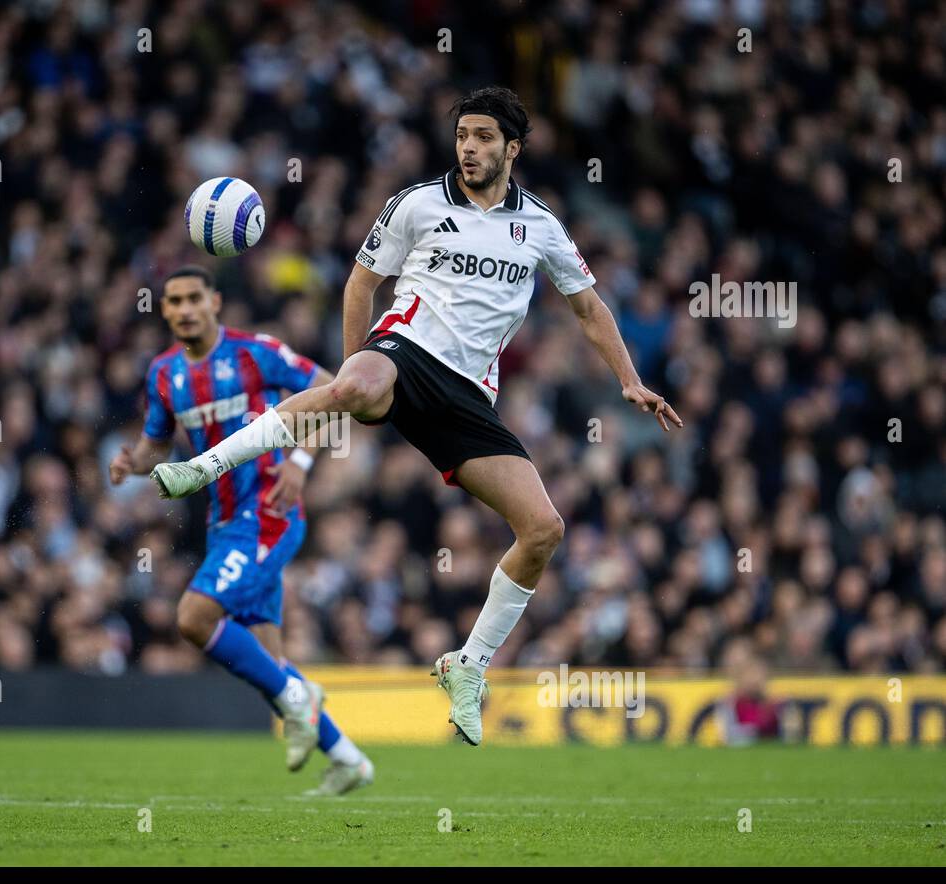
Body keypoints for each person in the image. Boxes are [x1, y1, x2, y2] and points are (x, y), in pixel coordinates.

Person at [151, 87, 683, 745]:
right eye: (464, 135)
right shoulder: (417, 203)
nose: (470, 146)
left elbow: (589, 309)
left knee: (543, 528)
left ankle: (469, 666)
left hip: (467, 396)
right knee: (361, 382)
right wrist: (353, 369)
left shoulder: (540, 226)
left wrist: (629, 381)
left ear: (512, 148)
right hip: (405, 350)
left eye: (485, 136)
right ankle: (207, 462)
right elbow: (360, 284)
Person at [111, 265, 373, 794]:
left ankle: (299, 699)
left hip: (269, 511)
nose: (184, 309)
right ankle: (347, 759)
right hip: (225, 522)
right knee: (268, 662)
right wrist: (132, 464)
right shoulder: (164, 374)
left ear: (215, 302)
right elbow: (156, 445)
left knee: (194, 617)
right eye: (173, 301)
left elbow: (333, 388)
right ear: (163, 310)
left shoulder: (255, 352)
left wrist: (300, 463)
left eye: (193, 298)